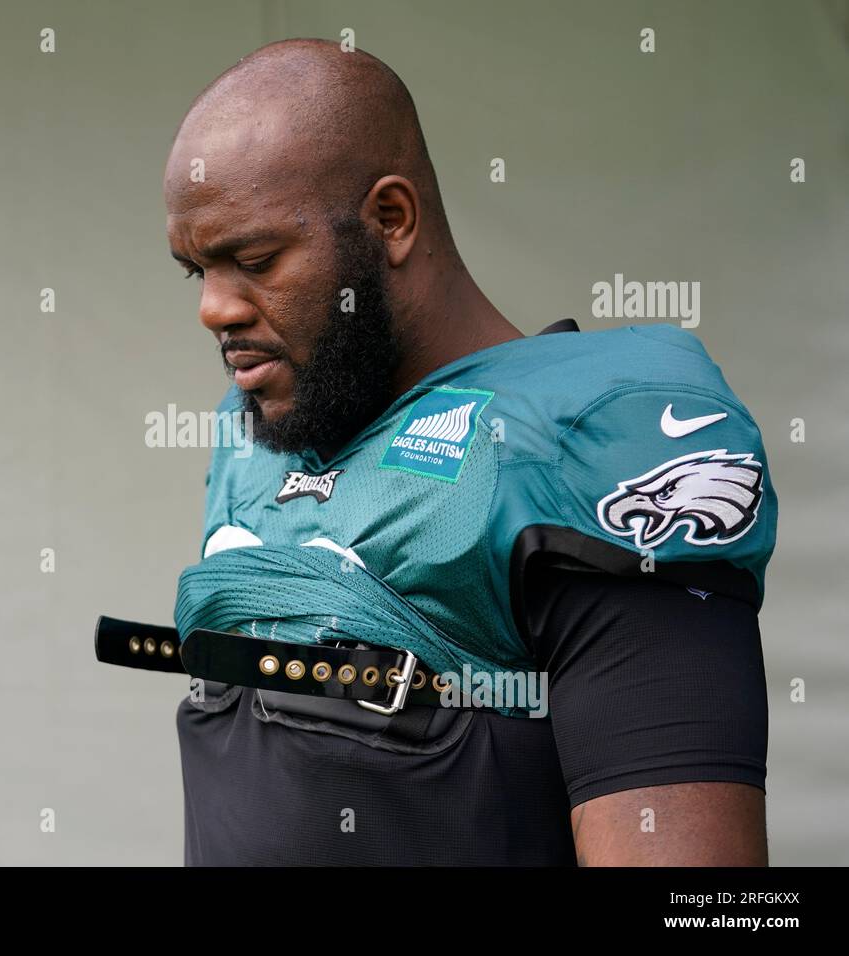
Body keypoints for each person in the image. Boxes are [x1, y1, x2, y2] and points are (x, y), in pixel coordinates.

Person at [160, 38, 775, 866]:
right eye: (194, 269)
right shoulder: (257, 439)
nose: (214, 308)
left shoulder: (575, 445)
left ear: (391, 220)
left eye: (255, 259)